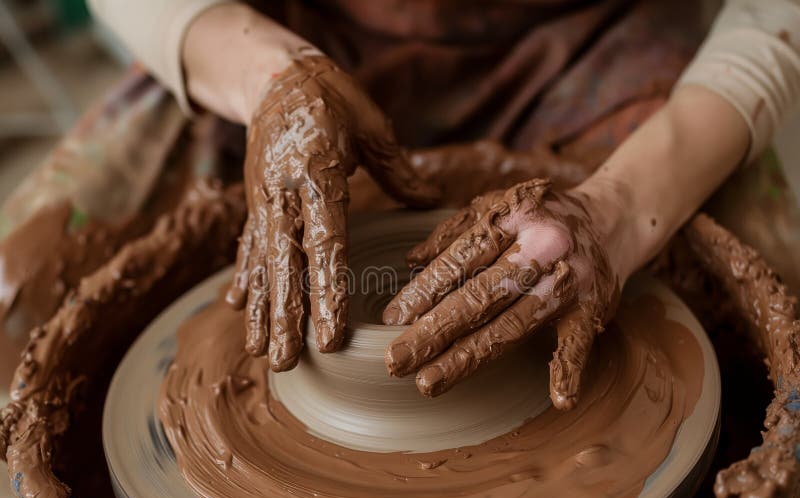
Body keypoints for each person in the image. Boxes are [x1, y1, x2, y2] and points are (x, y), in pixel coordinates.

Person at [81, 0, 800, 409]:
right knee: (24, 301)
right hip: (275, 34)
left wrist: (618, 208)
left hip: (595, 38)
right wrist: (268, 77)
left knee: (772, 313)